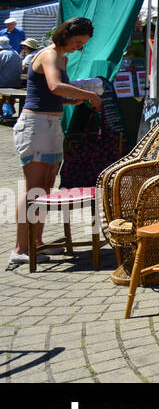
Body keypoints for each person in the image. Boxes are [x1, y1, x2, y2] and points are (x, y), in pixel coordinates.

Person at [11, 18, 102, 265]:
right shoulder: (50, 54)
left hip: (50, 124)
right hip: (36, 126)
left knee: (46, 186)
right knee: (34, 188)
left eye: (82, 44)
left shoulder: (62, 57)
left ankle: (36, 242)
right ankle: (21, 248)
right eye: (77, 42)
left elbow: (54, 94)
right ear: (65, 36)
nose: (79, 47)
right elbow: (54, 86)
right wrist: (88, 94)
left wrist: (73, 100)